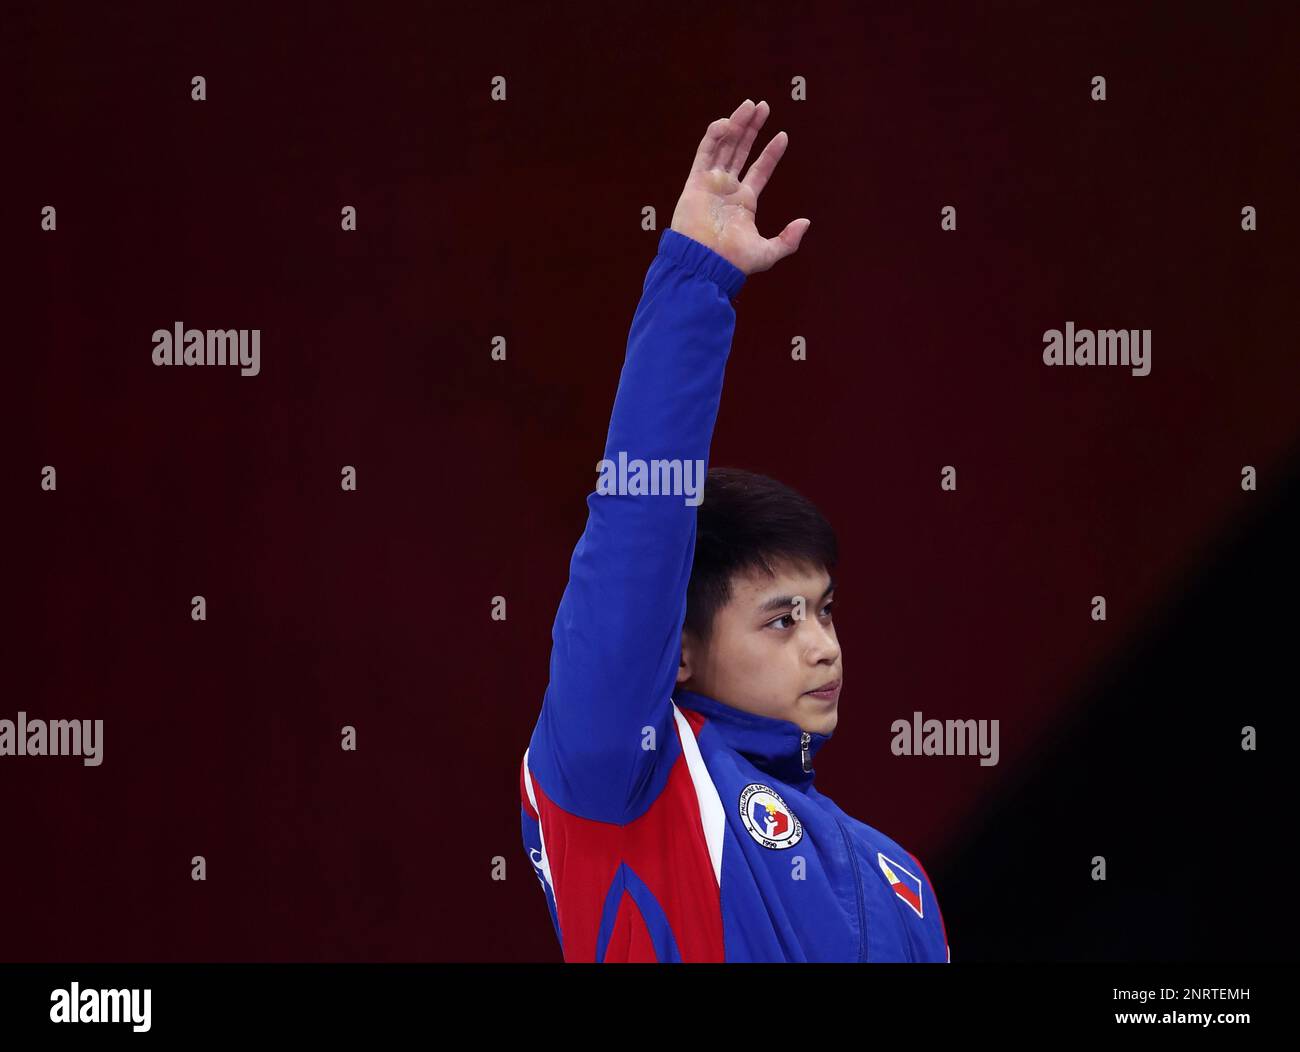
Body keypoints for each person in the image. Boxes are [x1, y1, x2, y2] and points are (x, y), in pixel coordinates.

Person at [519, 98, 950, 962]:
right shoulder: (630, 779)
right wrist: (695, 284)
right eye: (781, 618)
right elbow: (637, 539)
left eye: (825, 612)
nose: (824, 647)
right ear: (676, 649)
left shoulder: (899, 879)